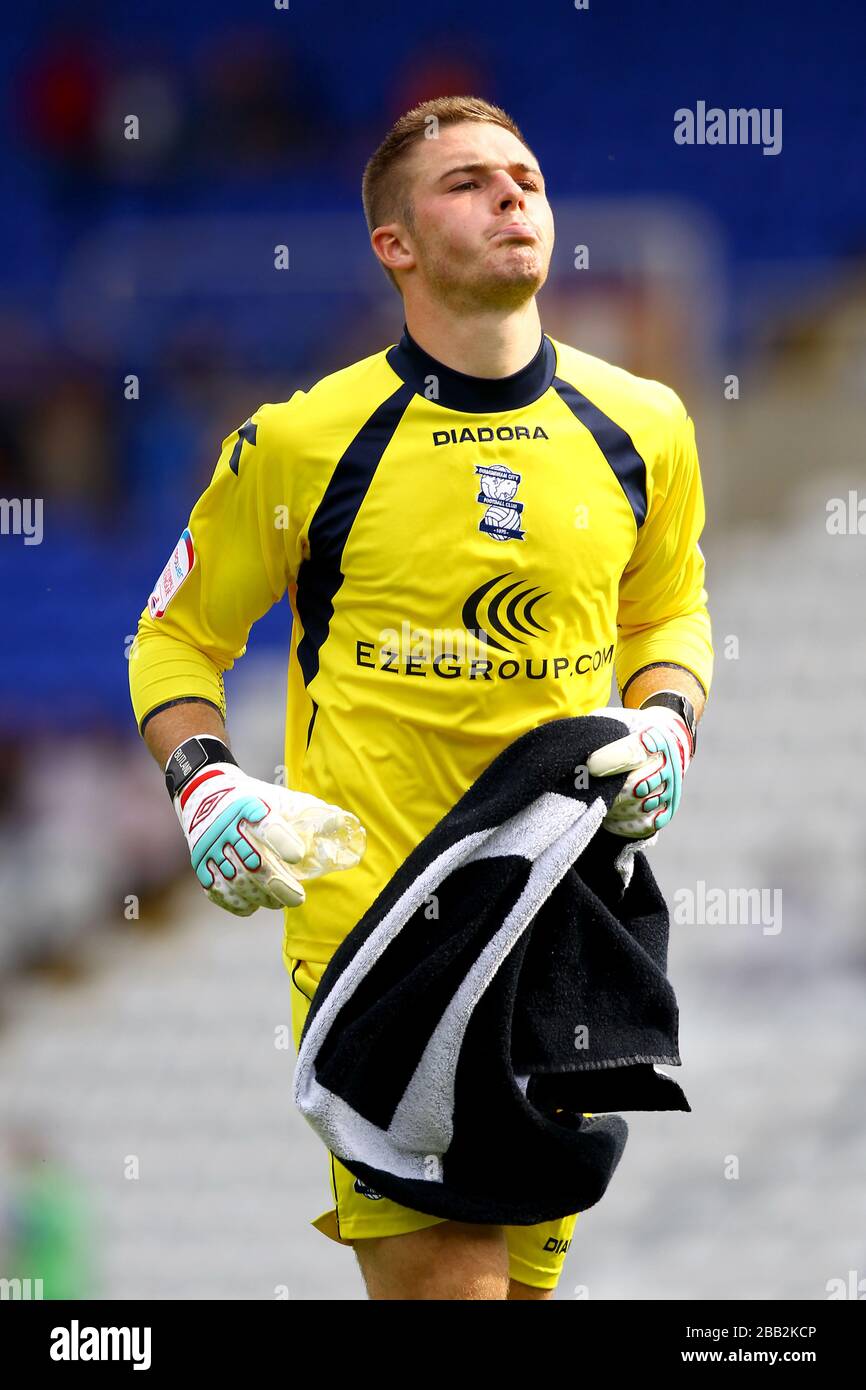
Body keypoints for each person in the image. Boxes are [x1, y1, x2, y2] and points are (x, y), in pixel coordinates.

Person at [128, 94, 713, 1301]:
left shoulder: (644, 425)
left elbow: (667, 612)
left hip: (561, 930)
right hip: (377, 935)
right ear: (392, 243)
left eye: (527, 177)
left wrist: (665, 722)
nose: (511, 196)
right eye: (468, 183)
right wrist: (205, 785)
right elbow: (175, 635)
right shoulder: (301, 444)